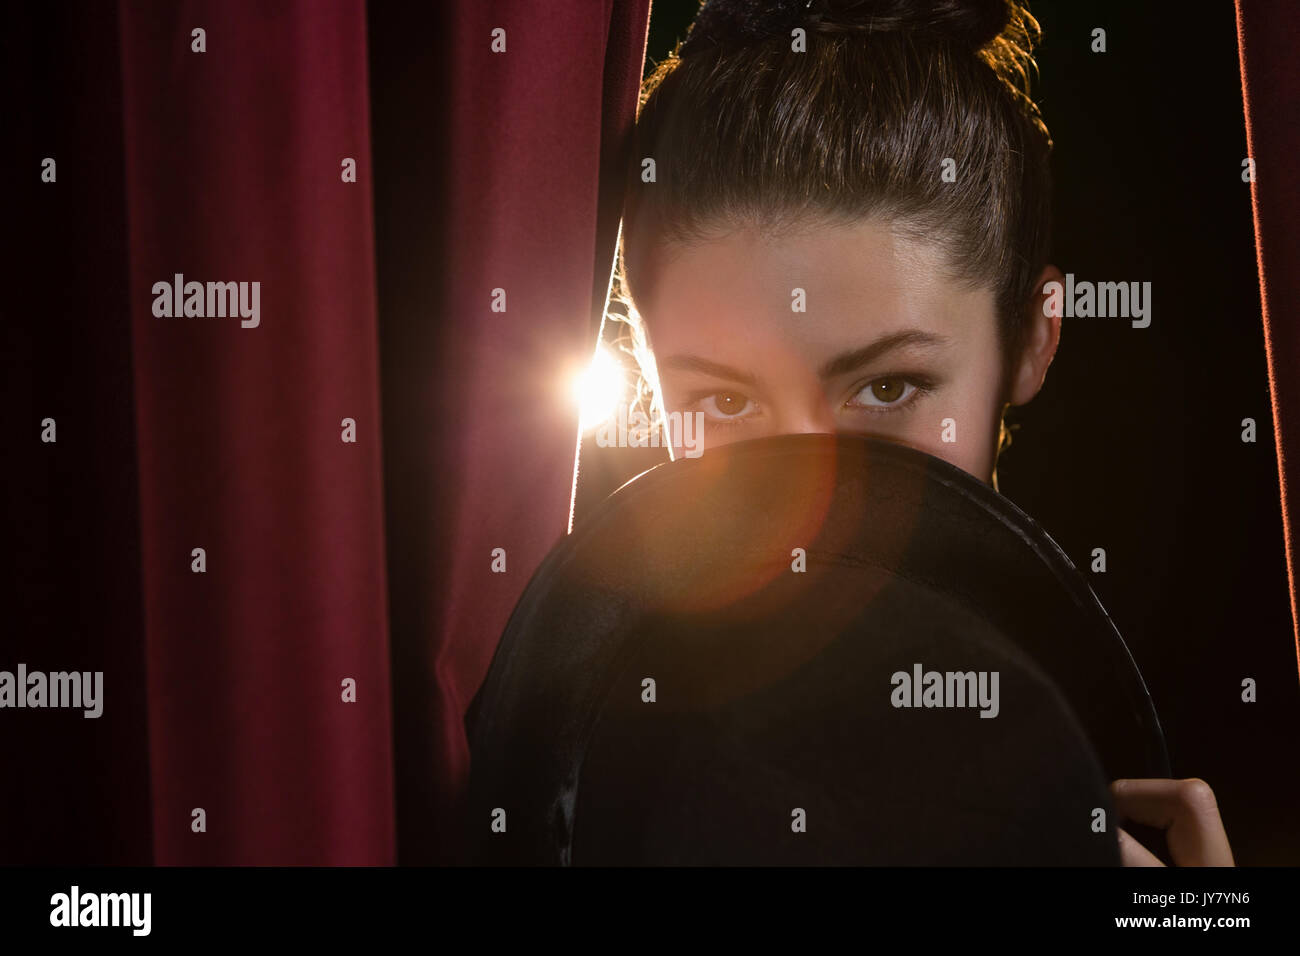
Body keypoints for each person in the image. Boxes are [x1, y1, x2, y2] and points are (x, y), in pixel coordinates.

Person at [610, 0, 1234, 865]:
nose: (811, 496)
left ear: (1031, 340)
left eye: (887, 386)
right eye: (726, 403)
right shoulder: (559, 762)